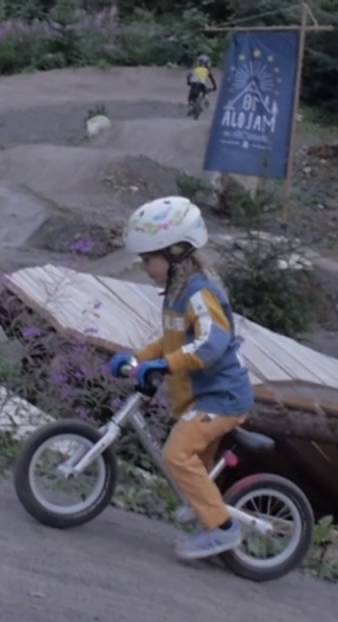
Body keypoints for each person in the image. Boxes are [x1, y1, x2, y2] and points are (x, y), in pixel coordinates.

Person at [105, 196, 253, 561]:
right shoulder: (175, 293)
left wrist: (164, 366)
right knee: (193, 465)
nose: (144, 267)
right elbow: (170, 339)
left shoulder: (200, 293)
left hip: (221, 398)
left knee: (176, 453)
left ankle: (223, 530)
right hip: (199, 396)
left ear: (175, 253)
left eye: (148, 259)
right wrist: (138, 359)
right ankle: (203, 506)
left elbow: (210, 345)